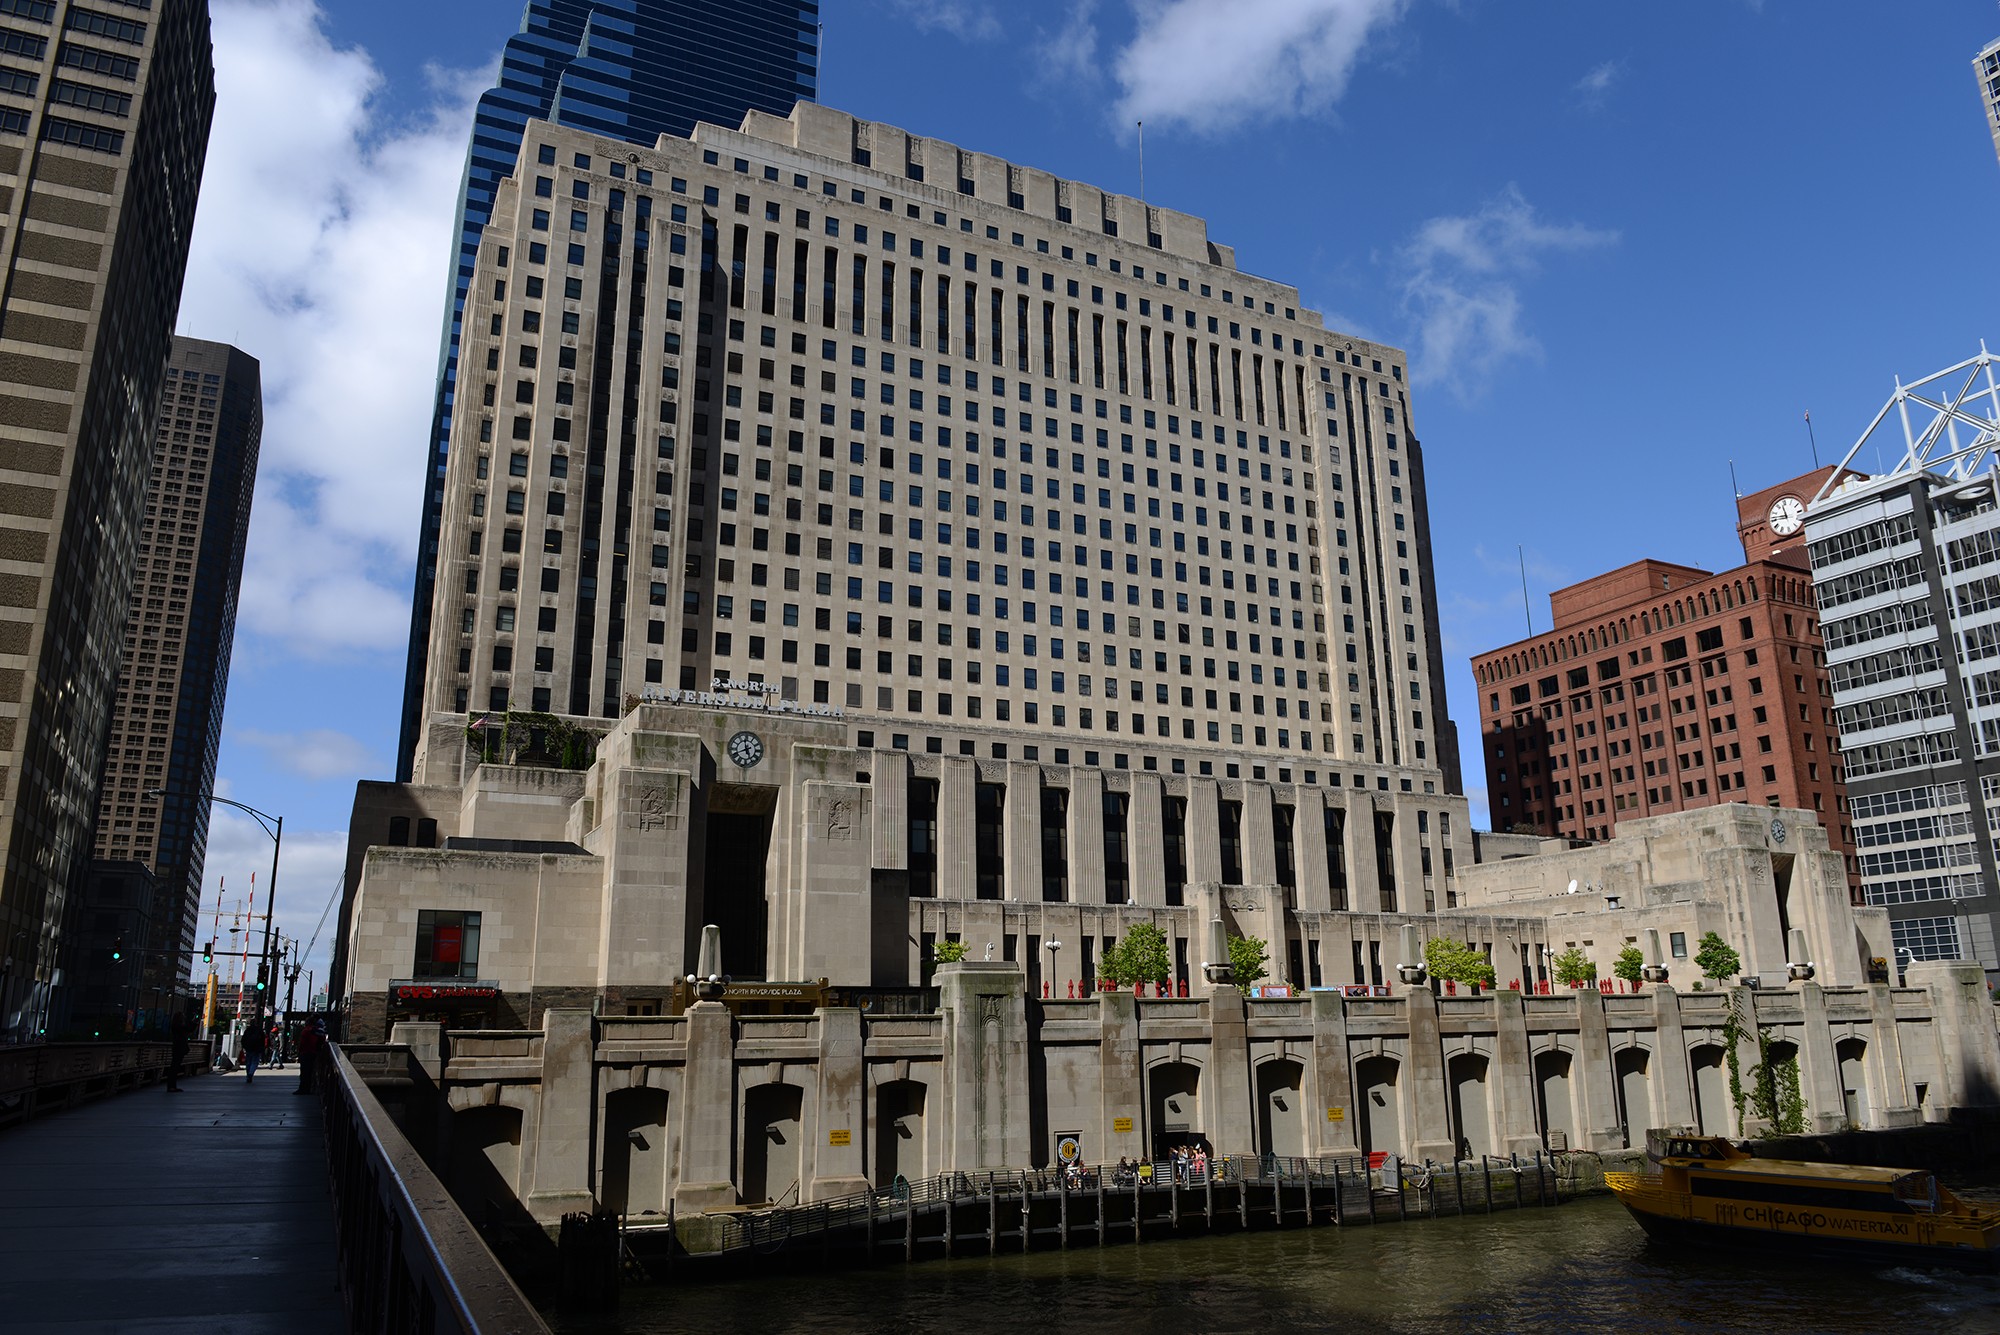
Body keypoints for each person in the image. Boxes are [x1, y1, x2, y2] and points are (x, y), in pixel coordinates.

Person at [295, 1017, 326, 1096]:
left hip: (305, 1052)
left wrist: (299, 1052)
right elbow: (322, 1040)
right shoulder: (317, 1031)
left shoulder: (306, 1031)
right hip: (313, 1053)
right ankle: (309, 1088)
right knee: (310, 1072)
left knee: (304, 1072)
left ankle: (303, 1088)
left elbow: (302, 1043)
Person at [165, 1008, 192, 1092]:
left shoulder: (176, 1026)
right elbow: (188, 1029)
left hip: (177, 1047)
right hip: (178, 1048)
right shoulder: (178, 1027)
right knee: (174, 1067)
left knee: (175, 1067)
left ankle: (172, 1086)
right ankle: (171, 1086)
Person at [239, 1014, 267, 1082]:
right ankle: (250, 1074)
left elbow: (243, 1039)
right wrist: (262, 1048)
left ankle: (248, 1073)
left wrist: (244, 1047)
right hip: (257, 1049)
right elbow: (263, 1040)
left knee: (248, 1062)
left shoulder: (247, 1030)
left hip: (248, 1048)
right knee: (254, 1062)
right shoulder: (259, 1031)